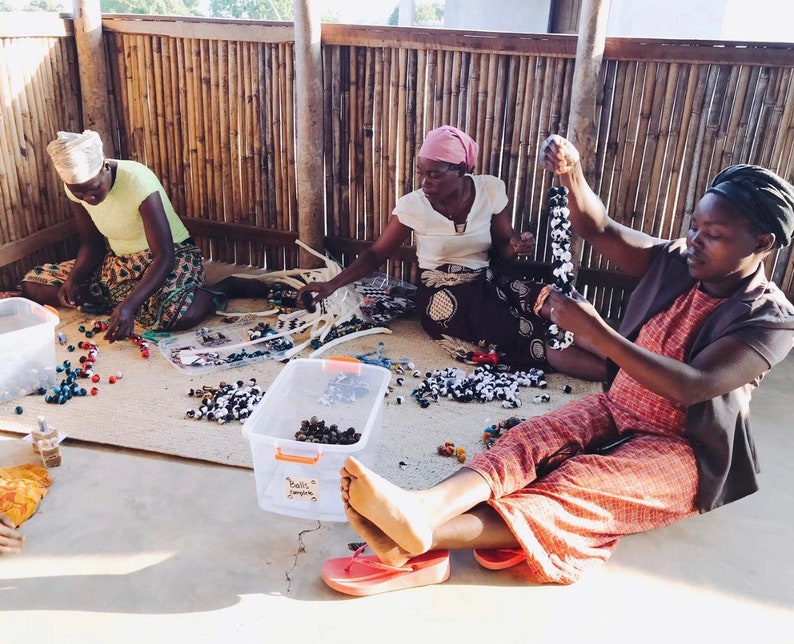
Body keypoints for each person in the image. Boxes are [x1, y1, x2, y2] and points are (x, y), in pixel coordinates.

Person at [319, 134, 794, 595]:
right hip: (619, 405)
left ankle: (423, 535)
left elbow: (692, 386)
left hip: (682, 449)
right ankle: (422, 506)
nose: (694, 240)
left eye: (713, 235)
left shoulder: (770, 321)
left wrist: (595, 330)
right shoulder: (675, 260)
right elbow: (599, 229)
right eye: (694, 226)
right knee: (528, 440)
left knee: (579, 483)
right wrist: (573, 176)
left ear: (763, 242)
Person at [298, 125, 607, 380]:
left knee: (558, 303)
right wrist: (331, 285)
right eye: (422, 172)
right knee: (523, 334)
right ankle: (619, 379)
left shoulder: (489, 190)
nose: (425, 182)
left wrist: (515, 245)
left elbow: (503, 250)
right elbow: (375, 255)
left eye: (435, 174)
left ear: (460, 170)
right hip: (444, 295)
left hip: (489, 280)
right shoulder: (413, 206)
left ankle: (625, 360)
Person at [20, 130, 264, 343]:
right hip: (120, 262)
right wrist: (73, 279)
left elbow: (165, 256)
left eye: (94, 189)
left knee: (178, 314)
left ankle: (227, 287)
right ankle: (115, 299)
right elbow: (92, 245)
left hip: (172, 255)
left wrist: (130, 305)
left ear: (105, 166)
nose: (88, 199)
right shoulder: (75, 187)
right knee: (34, 285)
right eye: (79, 193)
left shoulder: (137, 180)